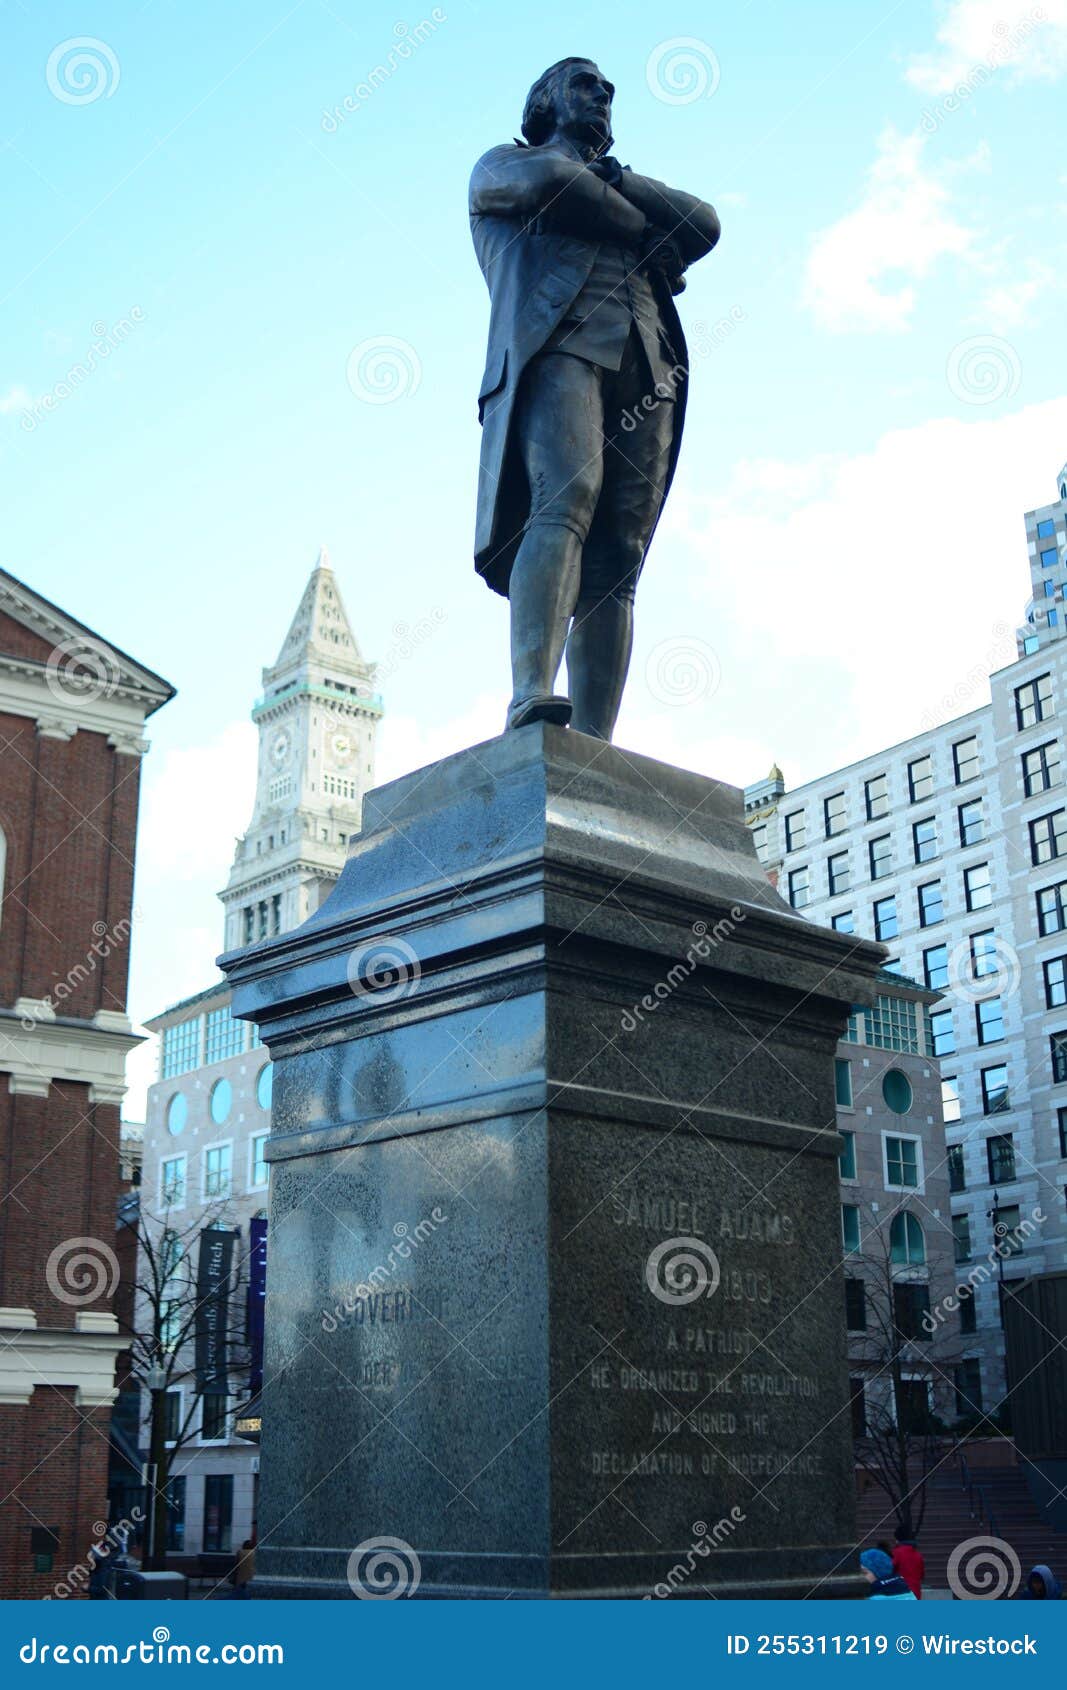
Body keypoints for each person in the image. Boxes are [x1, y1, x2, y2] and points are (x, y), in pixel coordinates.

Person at [469, 57, 720, 740]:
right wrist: (640, 228)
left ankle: (595, 745)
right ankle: (531, 695)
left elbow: (704, 223)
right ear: (543, 101)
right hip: (562, 346)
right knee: (563, 503)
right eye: (584, 85)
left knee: (622, 553)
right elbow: (549, 180)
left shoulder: (616, 180)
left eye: (608, 90)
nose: (602, 95)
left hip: (648, 362)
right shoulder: (500, 165)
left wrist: (616, 182)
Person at [892, 1530, 925, 1599]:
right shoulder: (917, 1554)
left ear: (898, 1540)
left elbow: (891, 1569)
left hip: (901, 1591)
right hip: (915, 1591)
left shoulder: (897, 1552)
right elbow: (922, 1575)